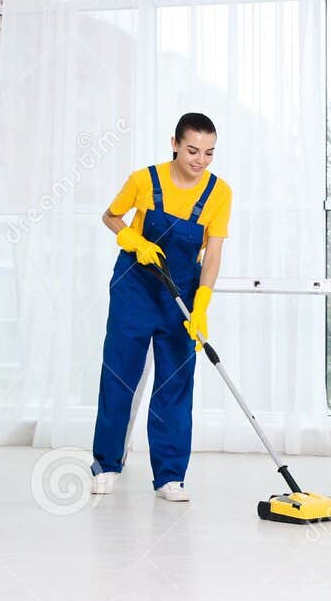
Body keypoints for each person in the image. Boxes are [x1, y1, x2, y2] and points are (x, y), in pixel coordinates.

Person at [90, 114, 232, 501]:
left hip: (181, 293)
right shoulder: (143, 179)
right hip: (134, 288)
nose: (200, 160)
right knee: (120, 377)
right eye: (192, 150)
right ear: (174, 143)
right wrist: (133, 241)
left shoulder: (220, 192)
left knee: (175, 383)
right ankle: (106, 464)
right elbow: (111, 216)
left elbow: (214, 252)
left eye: (209, 152)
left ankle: (170, 476)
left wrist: (201, 304)